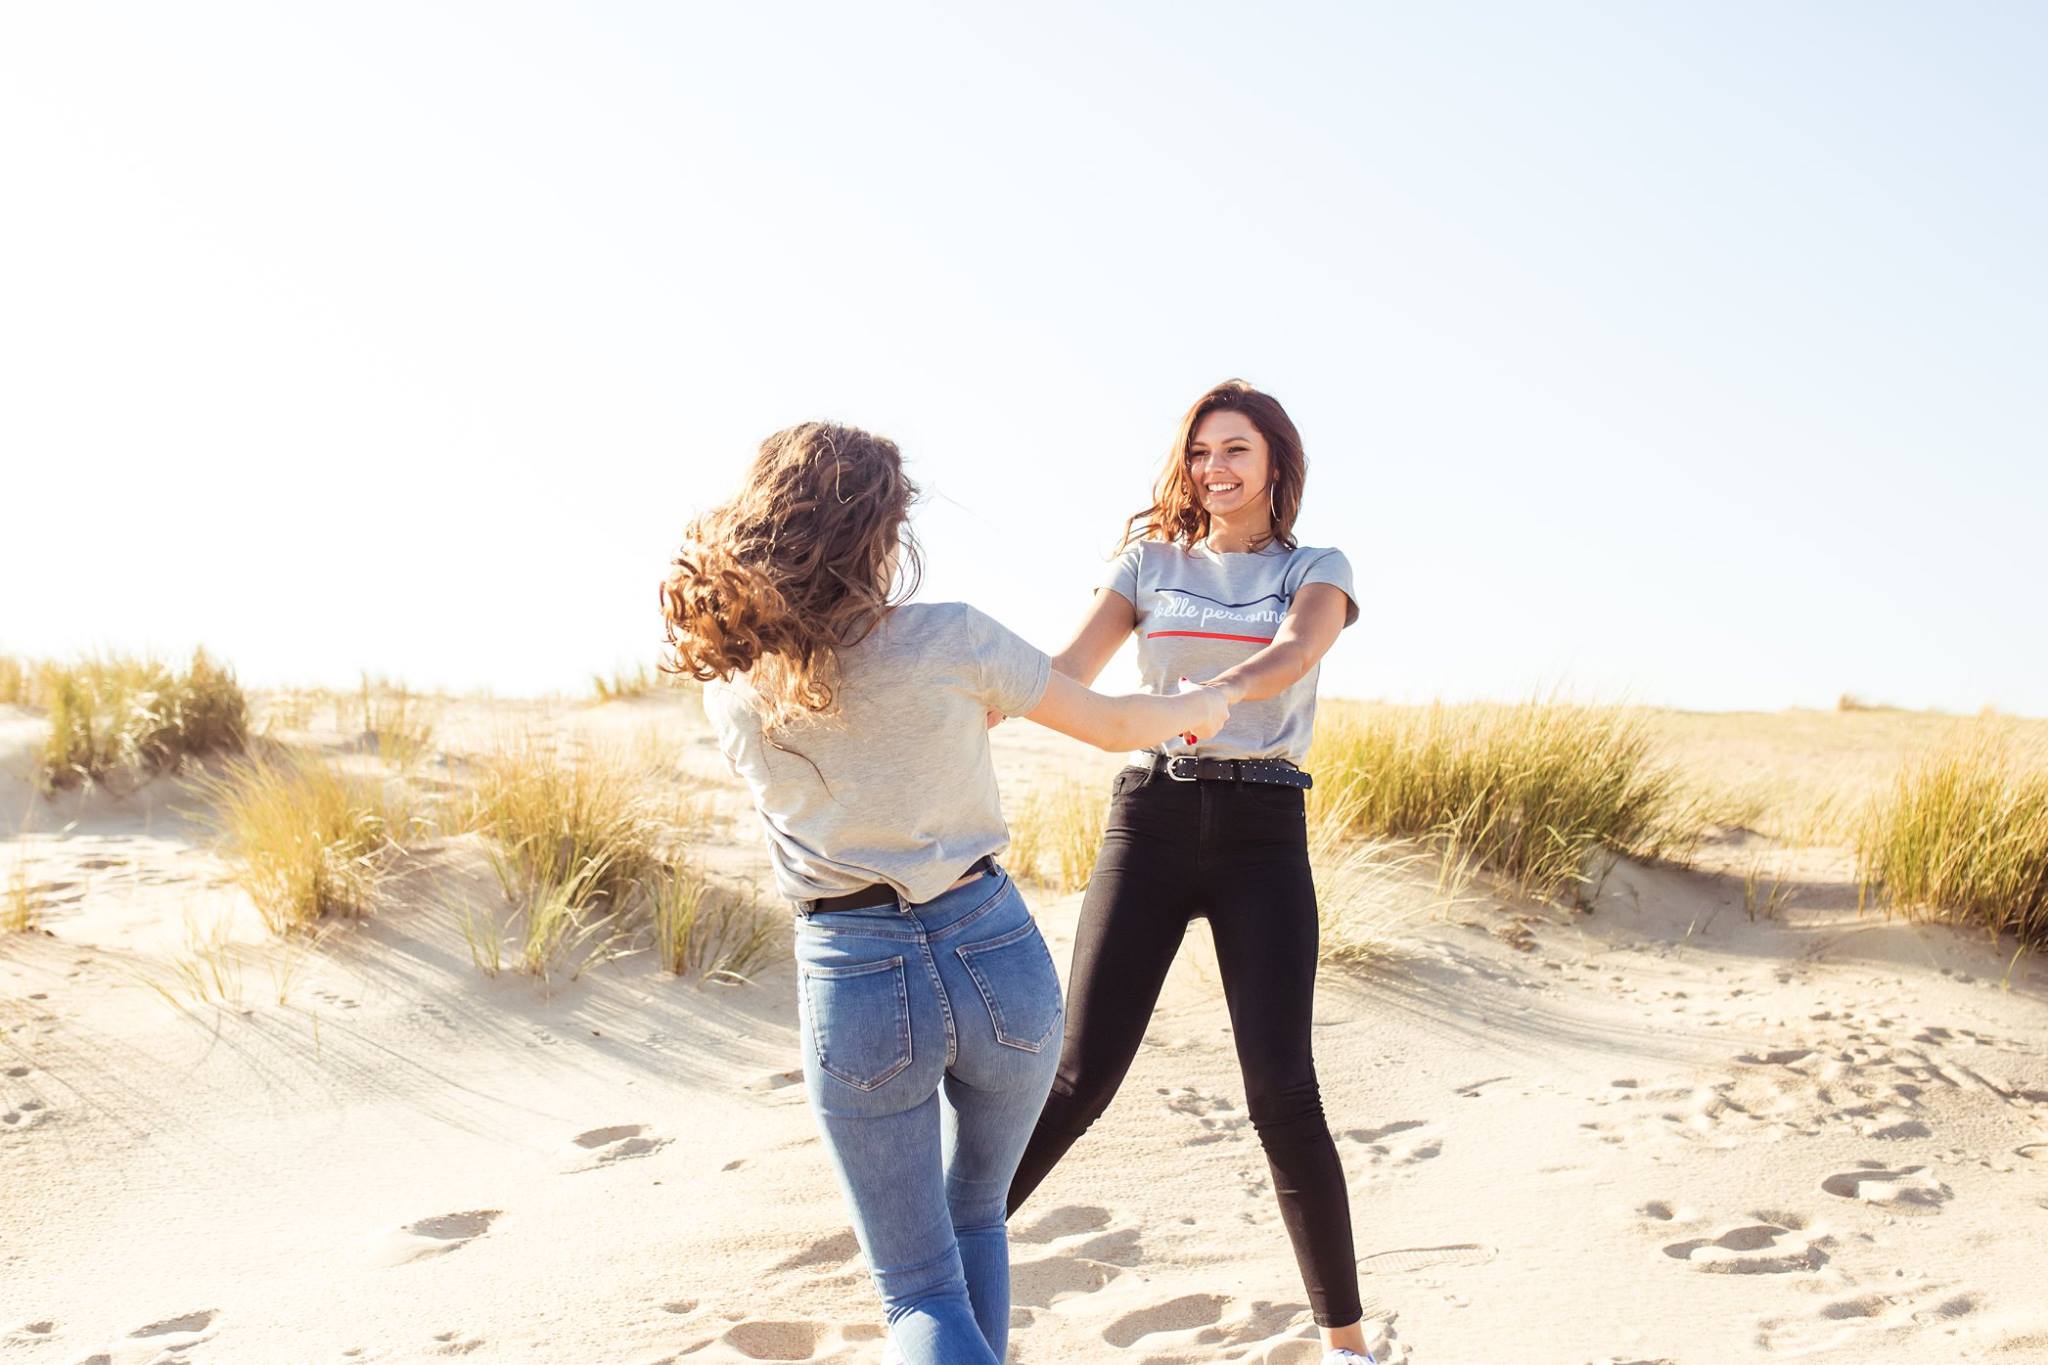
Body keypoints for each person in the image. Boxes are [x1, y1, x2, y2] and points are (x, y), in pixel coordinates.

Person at [659, 421, 1229, 1365]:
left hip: (855, 970)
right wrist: (1201, 707)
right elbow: (1115, 722)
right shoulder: (952, 636)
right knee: (977, 1216)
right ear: (877, 533)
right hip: (995, 953)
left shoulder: (736, 684)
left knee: (919, 1288)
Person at [1003, 380, 1376, 1365]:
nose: (1215, 469)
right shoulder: (1148, 564)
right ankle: (936, 1269)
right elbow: (1069, 667)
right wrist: (984, 693)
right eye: (1201, 451)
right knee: (1077, 1075)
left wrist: (1211, 695)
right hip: (1153, 818)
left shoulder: (1315, 567)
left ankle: (1345, 1344)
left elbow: (1294, 653)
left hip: (1264, 827)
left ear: (1275, 462)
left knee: (1283, 1092)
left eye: (1236, 450)